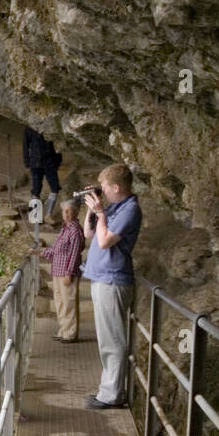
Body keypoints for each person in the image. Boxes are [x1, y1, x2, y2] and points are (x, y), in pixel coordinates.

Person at [80, 164, 142, 409]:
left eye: (104, 187)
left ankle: (112, 395)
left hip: (113, 281)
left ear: (116, 187)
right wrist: (92, 210)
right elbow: (89, 233)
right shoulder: (115, 208)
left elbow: (104, 241)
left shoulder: (131, 210)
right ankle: (108, 390)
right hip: (103, 279)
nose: (102, 191)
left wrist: (101, 213)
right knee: (107, 339)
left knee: (113, 340)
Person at [34, 199, 84, 342]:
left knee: (68, 302)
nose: (66, 213)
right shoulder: (65, 228)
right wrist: (40, 252)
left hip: (67, 273)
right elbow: (56, 250)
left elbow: (74, 254)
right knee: (60, 303)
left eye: (69, 211)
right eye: (64, 211)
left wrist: (69, 273)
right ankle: (63, 329)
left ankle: (70, 333)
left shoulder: (75, 230)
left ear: (76, 212)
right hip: (57, 270)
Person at [22, 126, 61, 225]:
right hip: (36, 162)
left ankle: (48, 215)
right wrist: (27, 161)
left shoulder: (49, 125)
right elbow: (25, 145)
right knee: (36, 189)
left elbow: (58, 144)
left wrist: (58, 160)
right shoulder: (29, 128)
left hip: (49, 161)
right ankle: (35, 216)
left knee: (55, 188)